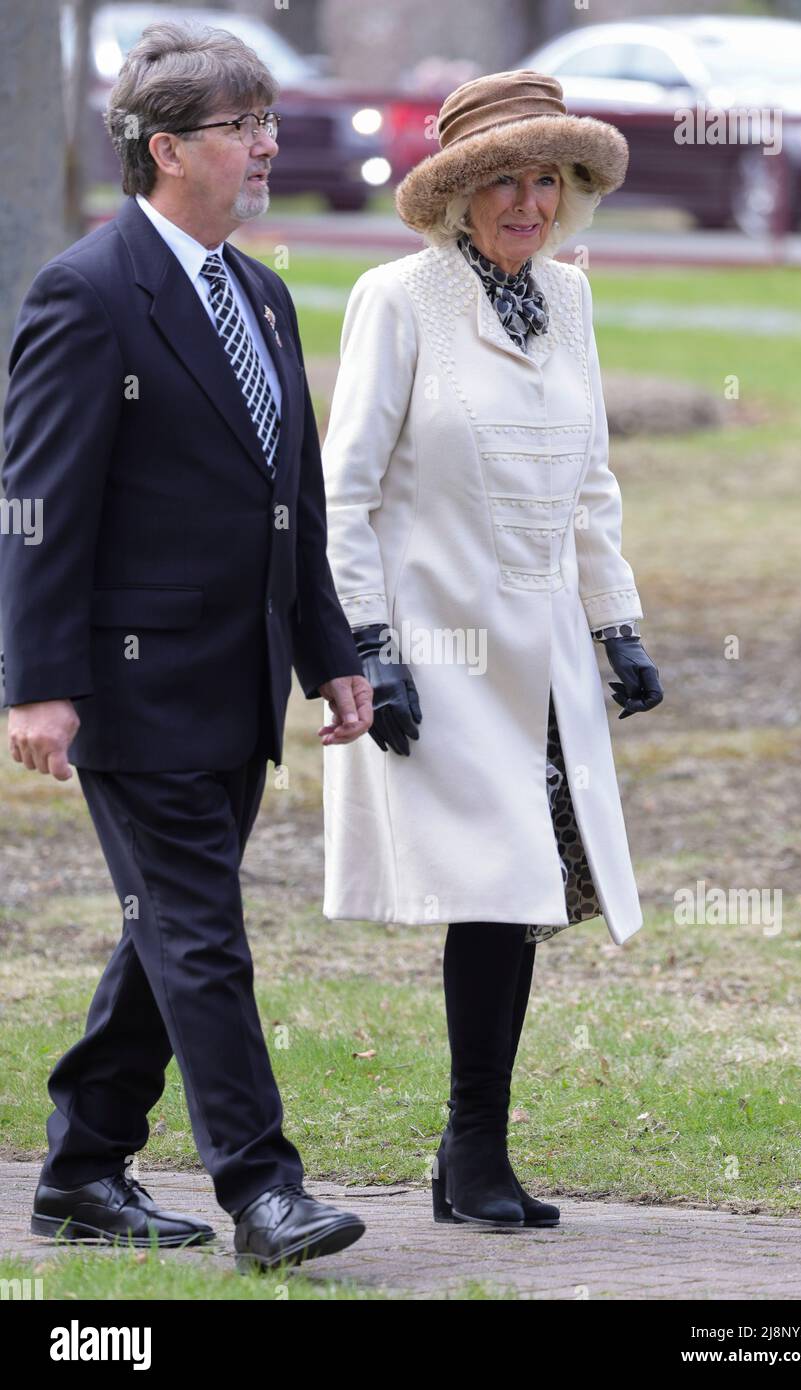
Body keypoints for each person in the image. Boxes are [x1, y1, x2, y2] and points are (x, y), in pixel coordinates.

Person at [0, 21, 374, 1273]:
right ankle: (264, 1191)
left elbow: (291, 500)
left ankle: (80, 1170)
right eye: (240, 126)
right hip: (132, 687)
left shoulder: (259, 292)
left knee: (165, 930)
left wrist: (330, 652)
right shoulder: (87, 293)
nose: (266, 145)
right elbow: (37, 505)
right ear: (165, 149)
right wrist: (38, 684)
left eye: (267, 122)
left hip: (239, 681)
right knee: (202, 933)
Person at [320, 70, 663, 1228]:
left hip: (545, 648)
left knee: (524, 894)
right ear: (455, 194)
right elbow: (344, 488)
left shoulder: (568, 297)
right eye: (503, 181)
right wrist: (369, 645)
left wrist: (617, 625)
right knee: (497, 883)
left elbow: (590, 477)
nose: (528, 203)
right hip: (436, 646)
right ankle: (470, 1151)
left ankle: (473, 1153)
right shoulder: (398, 298)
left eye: (545, 180)